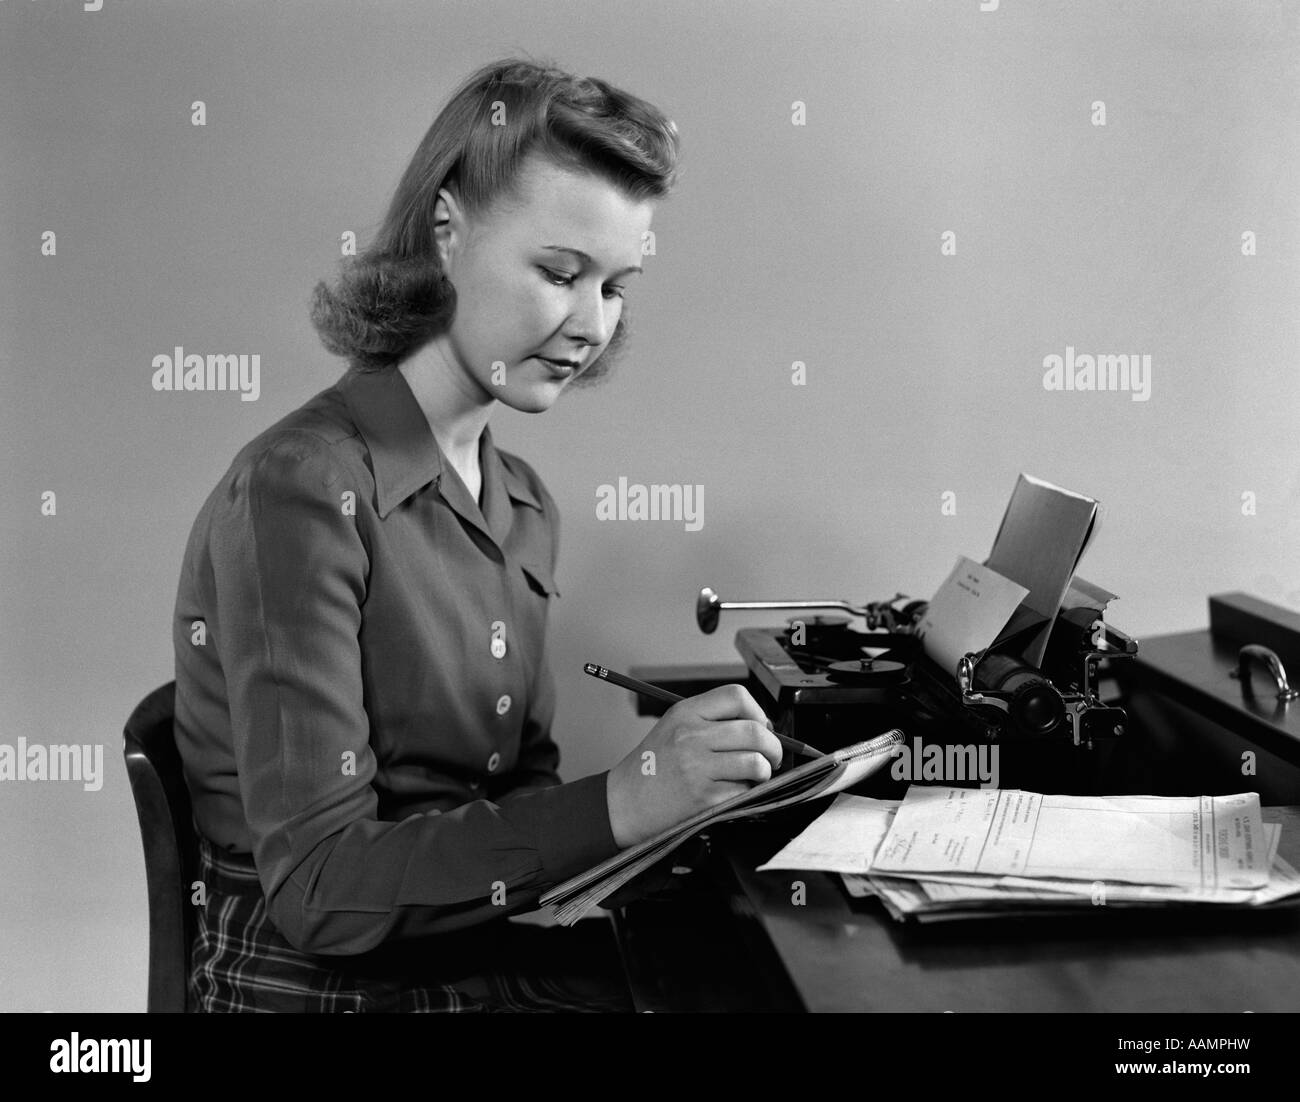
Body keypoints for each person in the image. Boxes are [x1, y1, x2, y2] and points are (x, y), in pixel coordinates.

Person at [171, 56, 782, 1013]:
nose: (591, 326)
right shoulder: (298, 490)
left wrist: (674, 814)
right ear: (447, 235)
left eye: (616, 286)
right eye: (558, 272)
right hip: (317, 979)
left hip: (467, 937)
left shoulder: (524, 502)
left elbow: (517, 800)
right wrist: (625, 802)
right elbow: (322, 891)